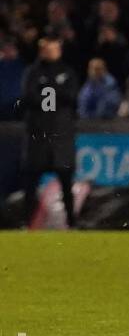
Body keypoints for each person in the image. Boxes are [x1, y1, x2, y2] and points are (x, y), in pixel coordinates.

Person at [19, 36, 79, 228]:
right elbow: (31, 97)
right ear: (42, 50)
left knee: (66, 184)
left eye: (56, 48)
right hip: (38, 137)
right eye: (50, 48)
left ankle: (71, 223)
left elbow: (71, 97)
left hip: (61, 137)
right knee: (31, 184)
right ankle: (27, 223)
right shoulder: (33, 72)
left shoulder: (68, 72)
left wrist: (49, 91)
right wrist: (54, 95)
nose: (54, 52)